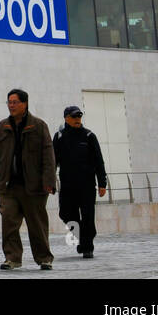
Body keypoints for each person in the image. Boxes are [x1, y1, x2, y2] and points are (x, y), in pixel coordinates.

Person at [0, 88, 56, 271]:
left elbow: (48, 155)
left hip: (33, 186)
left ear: (25, 103)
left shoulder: (38, 126)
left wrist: (49, 181)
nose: (11, 106)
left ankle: (44, 258)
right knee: (9, 223)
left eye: (15, 102)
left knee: (37, 225)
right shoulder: (2, 127)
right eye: (9, 102)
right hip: (8, 186)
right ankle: (12, 258)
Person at [52, 105, 108, 258]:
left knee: (88, 215)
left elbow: (99, 161)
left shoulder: (89, 136)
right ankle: (85, 235)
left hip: (87, 185)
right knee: (65, 213)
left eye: (79, 116)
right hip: (68, 185)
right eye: (74, 116)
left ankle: (87, 247)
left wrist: (102, 183)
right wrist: (50, 182)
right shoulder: (59, 137)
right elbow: (52, 161)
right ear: (66, 118)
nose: (78, 119)